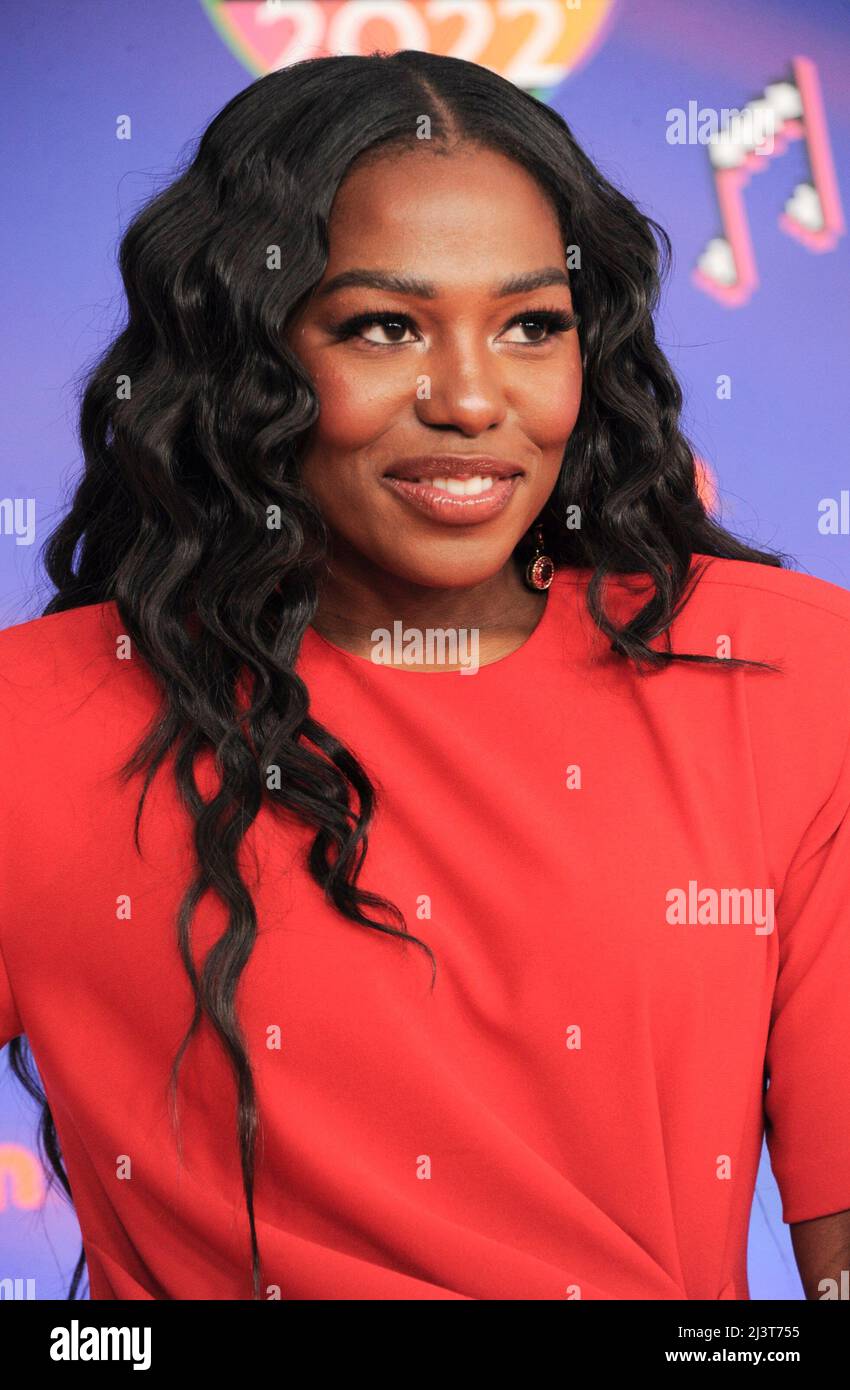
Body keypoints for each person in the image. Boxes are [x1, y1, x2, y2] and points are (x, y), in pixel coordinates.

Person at [1, 49, 849, 1302]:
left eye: (530, 326)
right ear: (243, 355)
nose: (469, 399)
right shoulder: (35, 721)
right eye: (383, 327)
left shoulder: (788, 677)